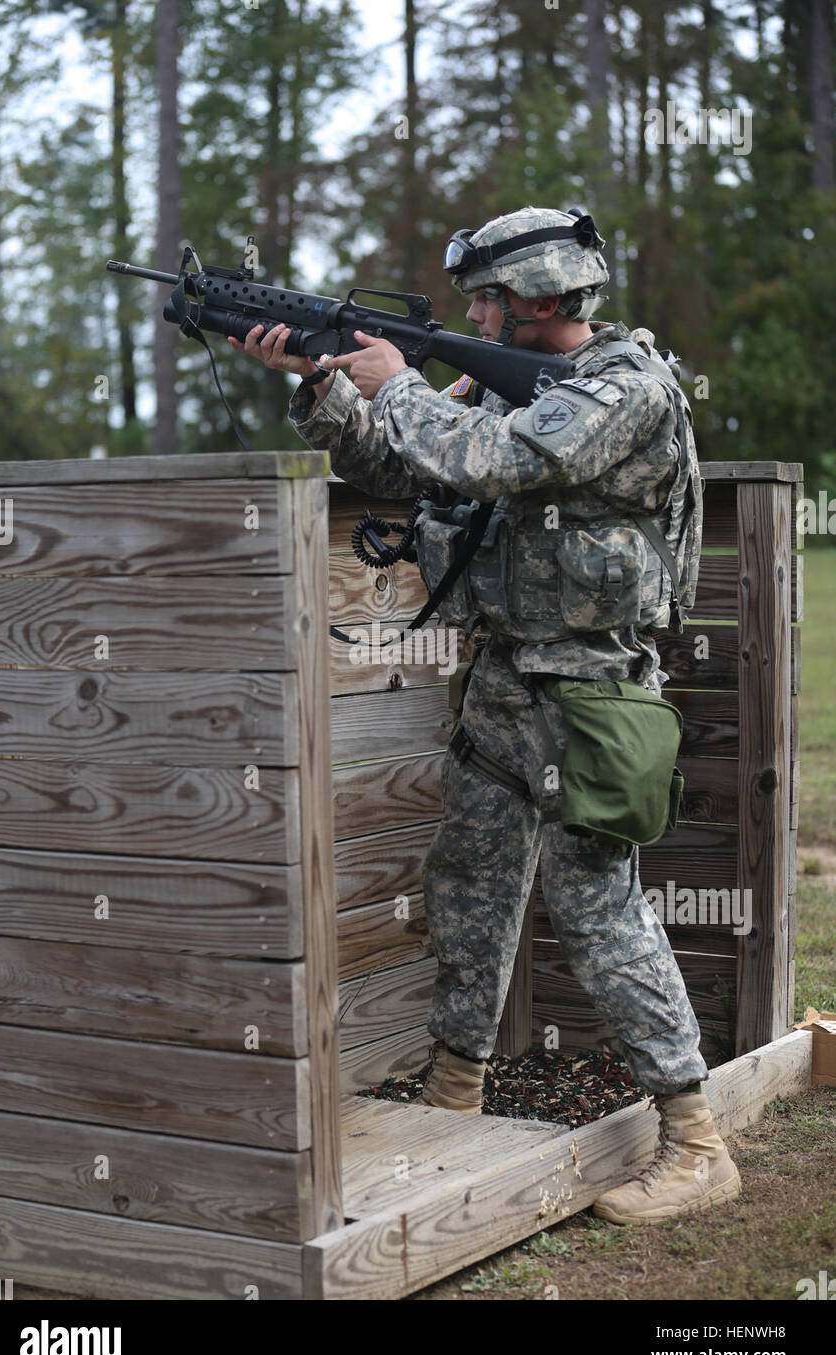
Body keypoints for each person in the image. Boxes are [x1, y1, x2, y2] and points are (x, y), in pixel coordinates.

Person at [229, 206, 742, 1225]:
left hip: (589, 698)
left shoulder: (625, 392)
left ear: (542, 299)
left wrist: (403, 384)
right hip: (503, 684)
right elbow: (395, 465)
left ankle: (694, 1139)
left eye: (487, 298)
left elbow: (497, 461)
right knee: (466, 883)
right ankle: (454, 1091)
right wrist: (327, 385)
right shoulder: (495, 384)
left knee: (599, 914)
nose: (472, 313)